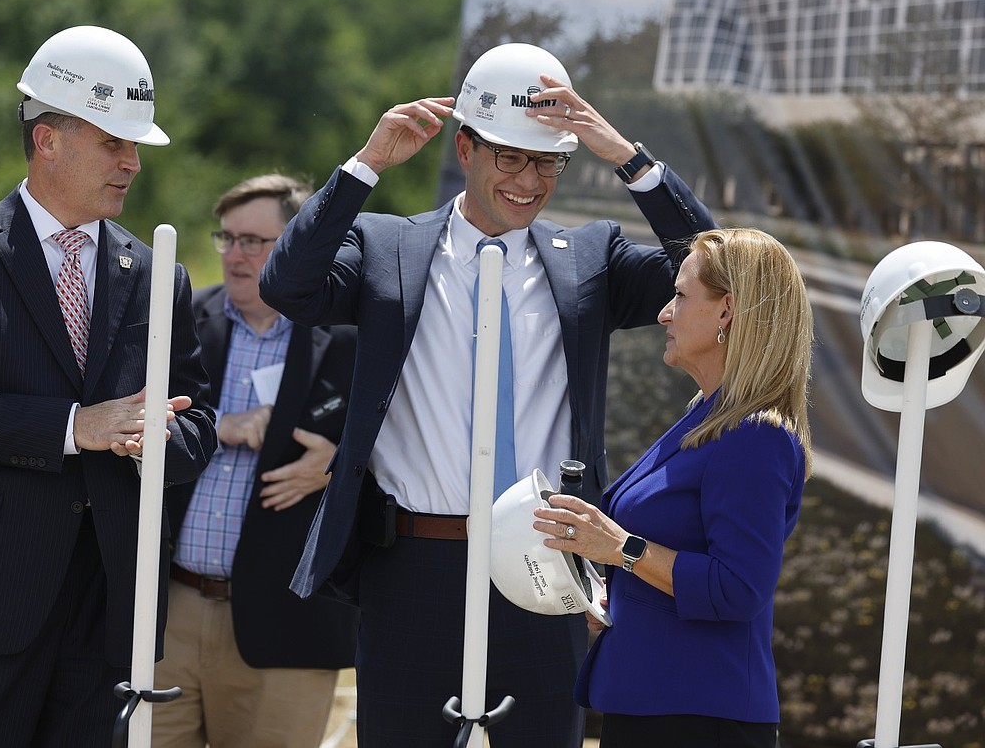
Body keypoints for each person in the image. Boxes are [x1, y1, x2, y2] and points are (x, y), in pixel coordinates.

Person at [258, 42, 717, 748]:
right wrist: (365, 167)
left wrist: (629, 157)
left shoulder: (589, 259)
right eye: (511, 157)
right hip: (412, 564)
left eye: (549, 162)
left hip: (543, 561)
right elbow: (286, 285)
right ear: (465, 147)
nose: (531, 181)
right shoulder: (389, 249)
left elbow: (718, 268)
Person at [0, 25, 217, 748]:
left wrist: (154, 436)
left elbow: (198, 421)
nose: (133, 163)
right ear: (49, 139)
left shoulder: (161, 273)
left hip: (108, 610)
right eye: (115, 143)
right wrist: (73, 426)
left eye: (136, 147)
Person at [534, 228, 812, 748]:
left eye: (680, 296)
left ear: (726, 311)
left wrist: (619, 548)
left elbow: (738, 588)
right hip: (654, 703)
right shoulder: (707, 418)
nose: (664, 313)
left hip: (700, 717)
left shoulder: (755, 436)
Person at [151, 174, 358, 748]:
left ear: (297, 248)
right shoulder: (178, 322)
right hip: (170, 614)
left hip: (290, 628)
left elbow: (406, 451)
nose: (236, 255)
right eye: (227, 238)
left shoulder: (349, 339)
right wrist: (217, 428)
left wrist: (339, 468)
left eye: (255, 242)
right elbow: (122, 420)